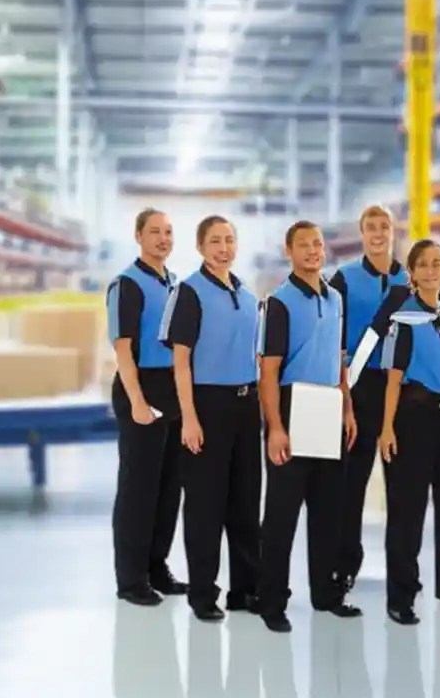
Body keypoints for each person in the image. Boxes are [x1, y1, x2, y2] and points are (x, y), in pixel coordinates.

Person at [256, 220, 363, 633]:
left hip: (328, 406)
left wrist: (347, 408)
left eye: (318, 244)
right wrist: (276, 428)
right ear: (290, 251)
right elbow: (268, 371)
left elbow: (339, 358)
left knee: (327, 511)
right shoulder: (280, 303)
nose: (313, 251)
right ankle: (272, 601)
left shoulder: (335, 298)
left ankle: (325, 594)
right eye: (304, 245)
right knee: (282, 513)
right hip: (292, 404)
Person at [161, 215, 263, 623]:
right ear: (201, 247)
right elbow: (181, 362)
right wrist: (188, 417)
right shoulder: (189, 292)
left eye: (229, 240)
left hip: (245, 404)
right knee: (205, 505)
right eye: (215, 241)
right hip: (207, 405)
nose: (224, 248)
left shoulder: (248, 294)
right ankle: (203, 593)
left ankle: (244, 590)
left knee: (244, 502)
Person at [376, 239, 440, 626]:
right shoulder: (403, 321)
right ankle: (401, 593)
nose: (432, 270)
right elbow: (393, 381)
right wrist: (386, 429)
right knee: (408, 512)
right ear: (412, 274)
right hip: (414, 422)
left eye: (438, 263)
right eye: (424, 265)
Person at [107, 208, 188, 606]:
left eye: (168, 232)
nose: (163, 239)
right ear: (139, 236)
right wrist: (138, 401)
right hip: (141, 387)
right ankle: (131, 578)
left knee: (168, 487)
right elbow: (122, 349)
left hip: (173, 390)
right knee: (139, 489)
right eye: (154, 232)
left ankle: (157, 565)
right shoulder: (127, 284)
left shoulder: (174, 283)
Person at [328, 204, 410, 595]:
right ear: (362, 233)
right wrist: (343, 400)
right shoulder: (343, 280)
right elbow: (335, 341)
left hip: (402, 392)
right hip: (358, 389)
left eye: (384, 227)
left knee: (402, 486)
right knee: (351, 483)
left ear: (394, 232)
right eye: (371, 227)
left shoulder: (413, 280)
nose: (378, 233)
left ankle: (402, 571)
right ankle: (344, 565)